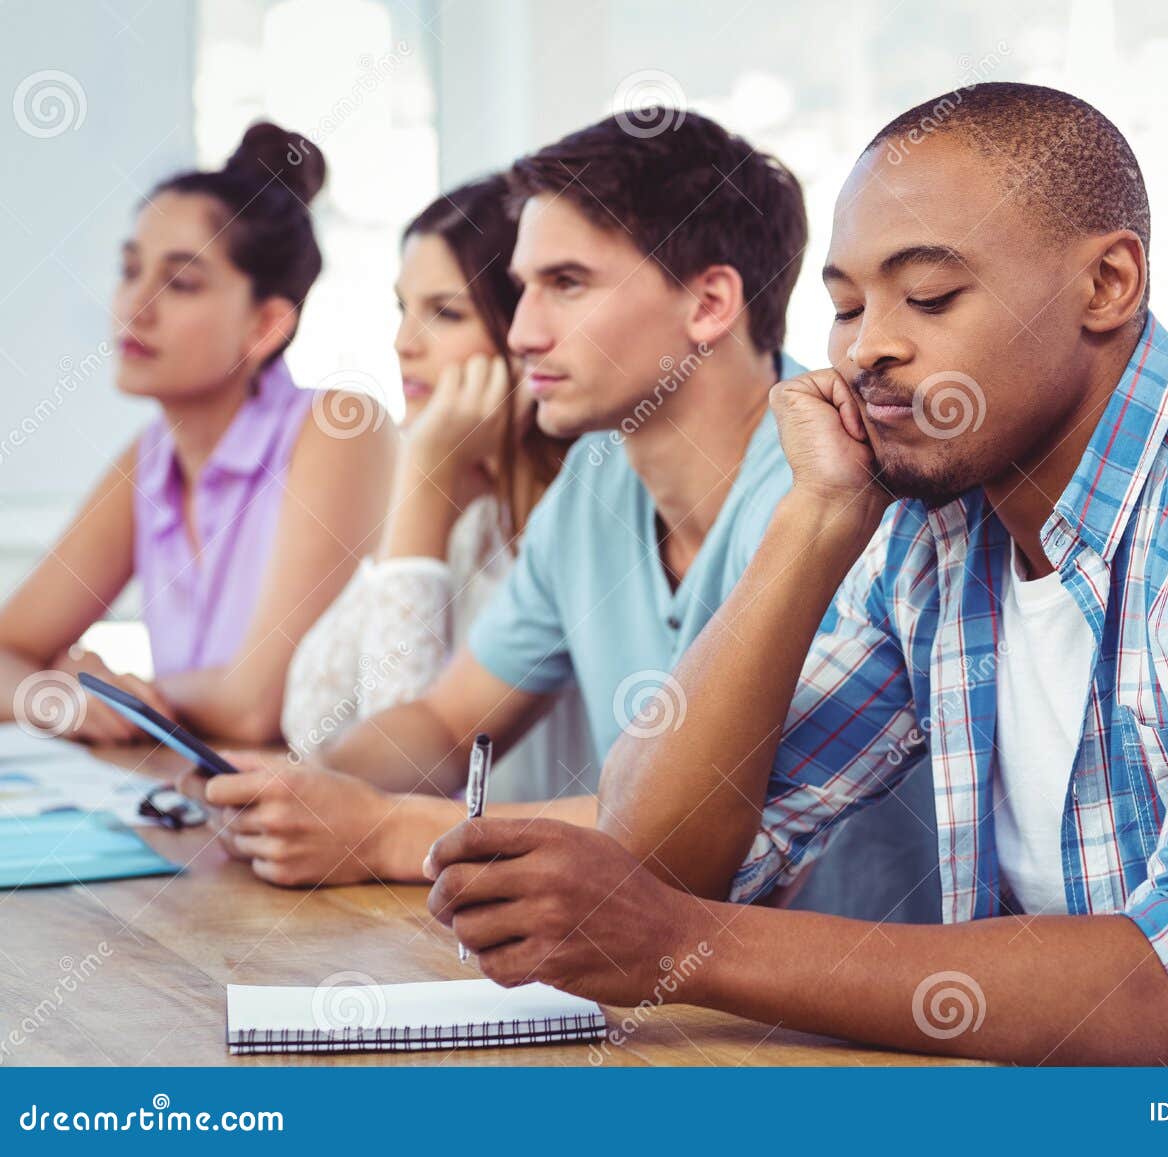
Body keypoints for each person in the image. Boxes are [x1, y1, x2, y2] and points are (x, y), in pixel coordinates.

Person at [425, 83, 1168, 1067]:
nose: (867, 344)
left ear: (1108, 284)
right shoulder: (937, 533)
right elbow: (662, 854)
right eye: (844, 305)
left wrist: (685, 942)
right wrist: (816, 520)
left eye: (927, 297)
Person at [185, 111, 939, 922]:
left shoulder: (840, 485)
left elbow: (684, 838)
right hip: (676, 1004)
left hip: (826, 1021)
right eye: (522, 288)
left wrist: (385, 831)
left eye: (566, 284)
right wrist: (307, 782)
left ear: (711, 303)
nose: (522, 332)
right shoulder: (596, 476)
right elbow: (447, 720)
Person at [0, 122, 392, 746]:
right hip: (201, 819)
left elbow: (256, 707)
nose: (135, 306)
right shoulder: (150, 459)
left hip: (326, 829)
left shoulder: (340, 429)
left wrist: (108, 690)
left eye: (180, 283)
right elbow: (7, 651)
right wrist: (57, 694)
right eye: (130, 270)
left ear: (265, 325)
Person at [279, 174, 591, 801]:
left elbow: (402, 790)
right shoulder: (472, 514)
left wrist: (423, 475)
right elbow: (313, 730)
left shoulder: (581, 516)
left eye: (445, 314)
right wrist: (429, 491)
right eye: (402, 309)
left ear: (524, 331)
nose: (403, 344)